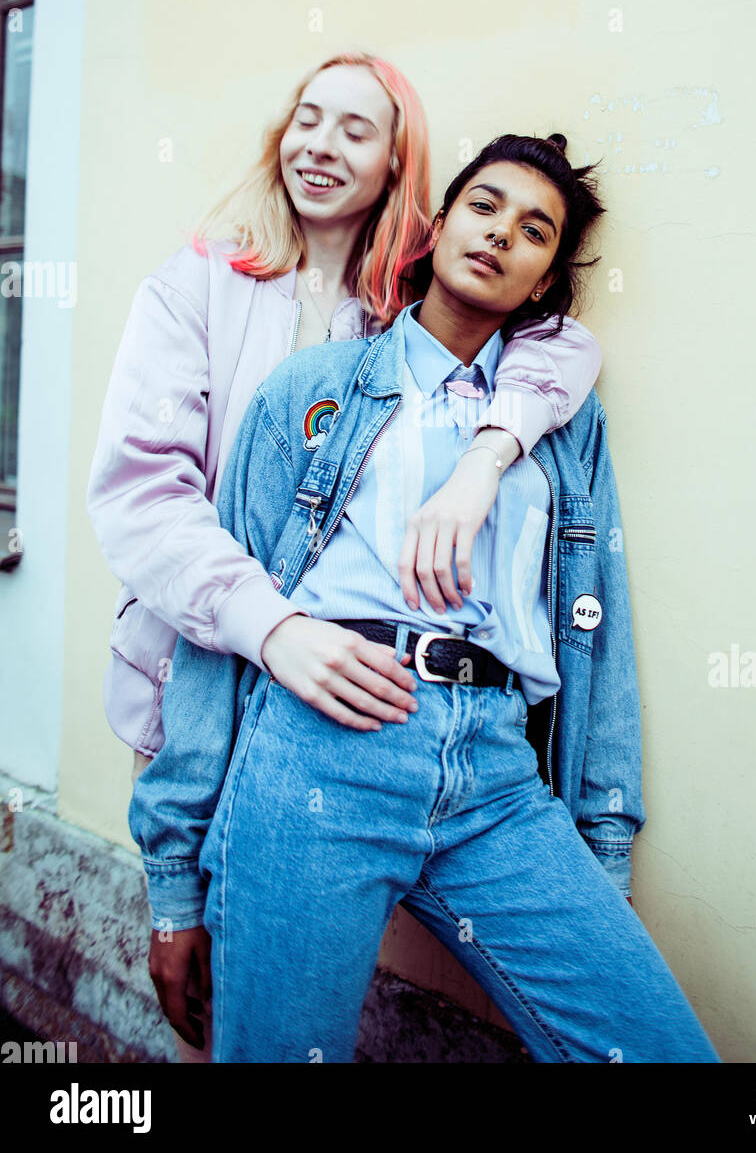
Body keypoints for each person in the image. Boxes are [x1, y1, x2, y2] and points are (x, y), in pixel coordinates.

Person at [129, 131, 720, 1064]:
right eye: (483, 207)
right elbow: (215, 629)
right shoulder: (313, 388)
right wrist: (174, 885)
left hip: (496, 774)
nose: (501, 234)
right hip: (317, 752)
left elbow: (597, 632)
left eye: (535, 232)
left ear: (543, 281)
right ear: (438, 228)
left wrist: (603, 845)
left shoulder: (565, 424)